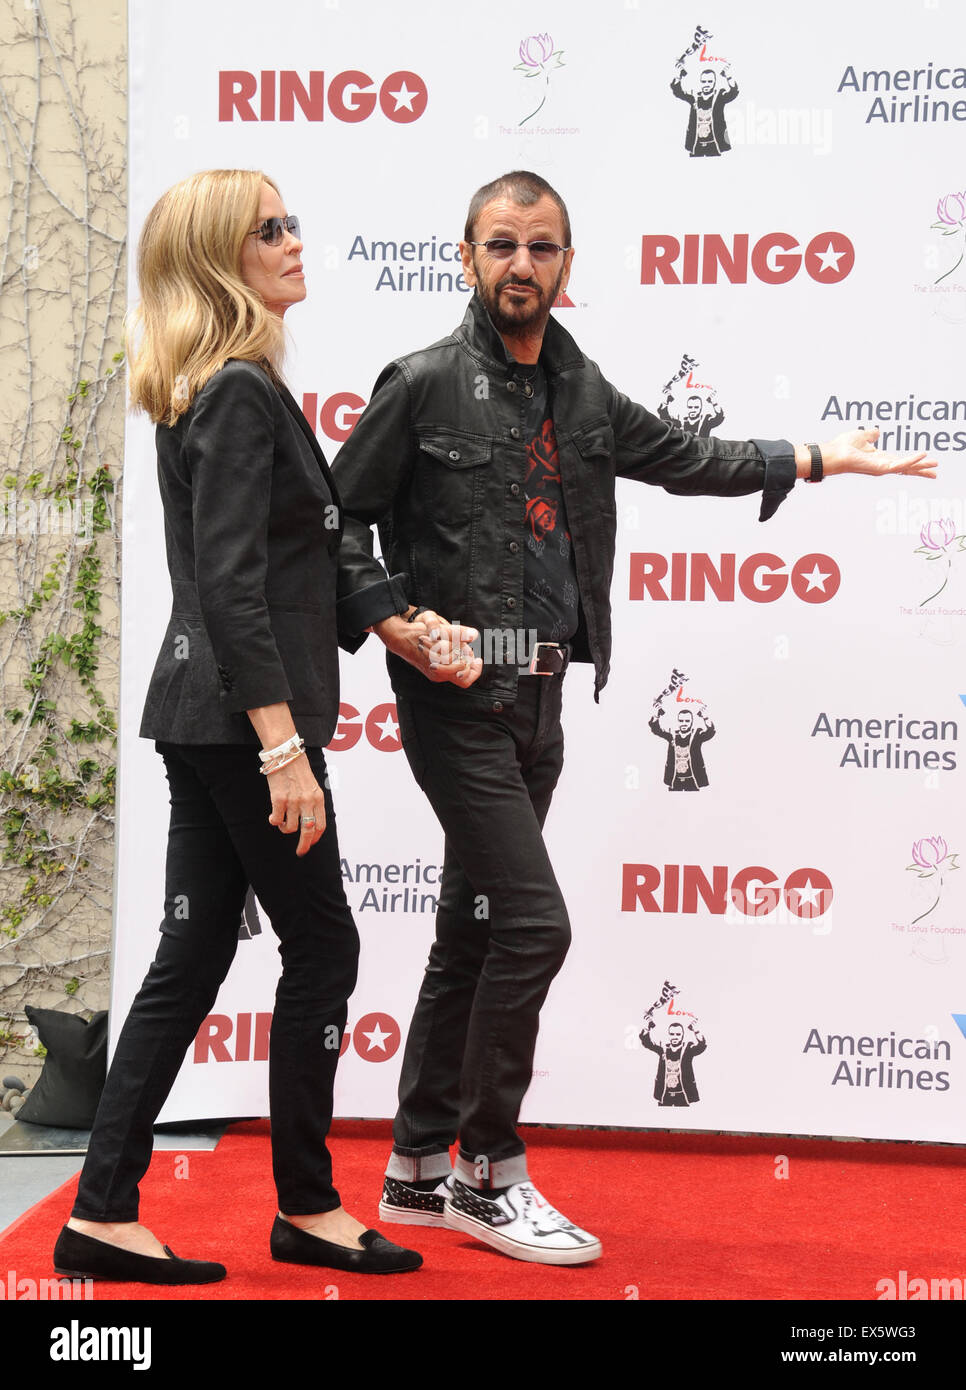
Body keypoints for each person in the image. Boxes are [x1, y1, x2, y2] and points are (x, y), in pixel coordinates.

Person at [331, 170, 935, 1266]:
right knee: (533, 925)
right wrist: (397, 621)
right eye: (503, 244)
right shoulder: (419, 384)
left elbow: (689, 457)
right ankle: (487, 1169)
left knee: (473, 930)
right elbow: (335, 523)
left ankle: (416, 1164)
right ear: (466, 255)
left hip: (545, 698)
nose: (523, 264)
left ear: (567, 264)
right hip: (456, 699)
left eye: (544, 247)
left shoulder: (584, 389)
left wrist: (814, 457)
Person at [53, 169, 421, 1283]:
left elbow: (297, 553)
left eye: (292, 221)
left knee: (196, 951)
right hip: (238, 722)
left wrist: (396, 623)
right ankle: (306, 1205)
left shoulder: (230, 386)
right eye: (270, 231)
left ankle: (100, 1211)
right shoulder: (235, 394)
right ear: (224, 259)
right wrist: (281, 744)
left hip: (206, 716)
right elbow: (229, 583)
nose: (295, 242)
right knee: (323, 945)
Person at [671, 63, 739, 156]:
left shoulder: (719, 96)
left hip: (715, 144)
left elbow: (733, 92)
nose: (706, 84)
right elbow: (678, 92)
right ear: (700, 82)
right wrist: (679, 73)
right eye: (704, 81)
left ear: (714, 82)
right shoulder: (694, 97)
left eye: (710, 81)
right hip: (695, 145)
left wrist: (728, 76)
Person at [640, 1020, 707, 1106]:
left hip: (684, 1094)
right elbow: (647, 1043)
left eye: (678, 1034)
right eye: (672, 1034)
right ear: (668, 1035)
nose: (675, 1037)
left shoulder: (688, 1048)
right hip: (664, 1094)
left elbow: (702, 1046)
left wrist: (696, 1030)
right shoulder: (663, 1048)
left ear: (683, 1035)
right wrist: (647, 1026)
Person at [650, 705, 715, 791]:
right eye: (681, 721)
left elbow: (710, 732)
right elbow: (656, 729)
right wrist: (656, 714)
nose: (684, 723)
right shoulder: (672, 735)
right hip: (674, 779)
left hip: (693, 779)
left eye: (687, 721)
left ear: (691, 722)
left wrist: (705, 717)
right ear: (678, 721)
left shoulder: (697, 735)